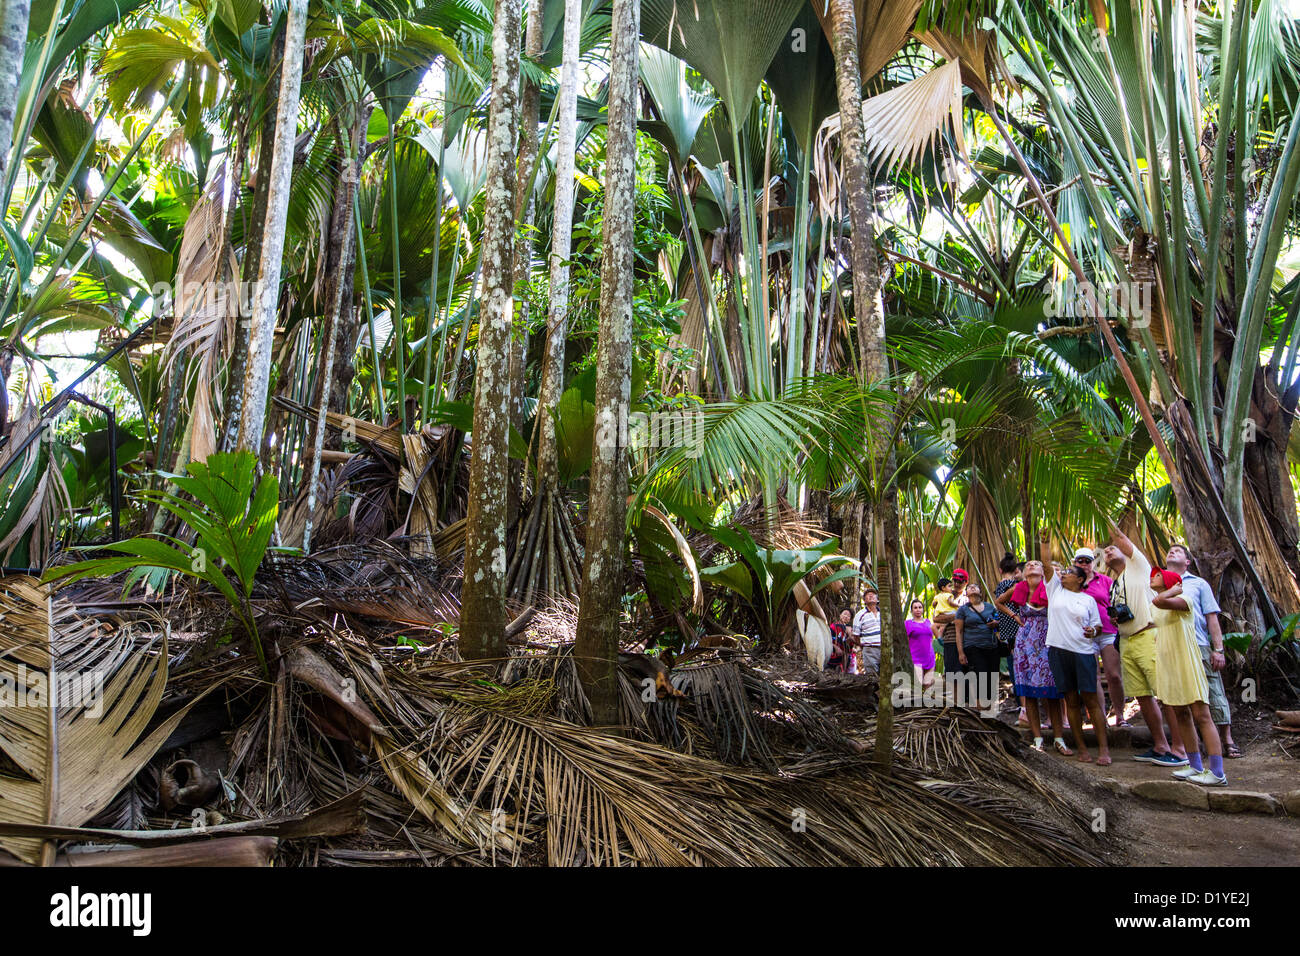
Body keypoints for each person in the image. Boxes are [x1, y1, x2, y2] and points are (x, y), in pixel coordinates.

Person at [1102, 521, 1188, 767]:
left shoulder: (1138, 565)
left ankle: (1180, 748)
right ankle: (1161, 745)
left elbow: (1119, 537)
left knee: (1165, 693)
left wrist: (1099, 512)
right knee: (1142, 696)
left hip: (1148, 635)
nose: (1108, 551)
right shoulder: (1116, 582)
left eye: (1112, 549)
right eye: (1105, 551)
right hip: (1127, 640)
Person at [1151, 569, 1228, 785]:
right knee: (1181, 714)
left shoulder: (1183, 599)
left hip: (1187, 662)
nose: (1152, 578)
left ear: (1169, 582)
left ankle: (1217, 772)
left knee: (1201, 715)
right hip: (1170, 663)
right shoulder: (1158, 602)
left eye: (1157, 576)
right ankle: (1195, 765)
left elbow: (1159, 601)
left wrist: (1175, 589)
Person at [1040, 530, 1111, 765]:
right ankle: (1082, 748)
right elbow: (1047, 565)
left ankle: (1103, 749)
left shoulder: (1088, 600)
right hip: (1058, 651)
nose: (1064, 574)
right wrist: (1045, 542)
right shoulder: (1054, 590)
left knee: (1090, 699)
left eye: (1069, 572)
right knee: (1070, 699)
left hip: (1083, 652)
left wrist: (1094, 631)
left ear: (1080, 579)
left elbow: (1097, 626)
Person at [1164, 543, 1240, 758]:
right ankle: (1196, 746)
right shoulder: (1159, 585)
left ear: (1187, 562)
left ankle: (1227, 740)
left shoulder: (1198, 584)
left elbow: (1211, 618)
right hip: (1172, 649)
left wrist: (1218, 649)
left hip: (1199, 645)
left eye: (1178, 551)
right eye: (1170, 550)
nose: (1172, 552)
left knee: (1213, 691)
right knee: (1181, 698)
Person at [996, 559, 1068, 753]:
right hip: (1025, 642)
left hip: (1048, 639)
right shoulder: (1019, 588)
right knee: (1029, 692)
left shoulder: (1051, 586)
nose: (1032, 565)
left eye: (1037, 564)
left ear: (1043, 571)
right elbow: (999, 602)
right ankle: (1037, 738)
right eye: (1029, 564)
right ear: (1023, 572)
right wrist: (1014, 616)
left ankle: (1059, 738)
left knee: (1052, 692)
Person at [1073, 546, 1127, 727]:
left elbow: (1117, 600)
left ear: (1093, 563)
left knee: (1113, 675)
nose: (1084, 564)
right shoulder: (1071, 584)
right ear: (1074, 563)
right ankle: (1100, 717)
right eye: (1080, 561)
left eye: (1087, 561)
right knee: (1093, 676)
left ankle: (1120, 715)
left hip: (1108, 631)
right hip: (1084, 634)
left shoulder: (1104, 580)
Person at [953, 582, 1001, 711]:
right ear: (966, 594)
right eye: (969, 587)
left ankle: (988, 708)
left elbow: (998, 622)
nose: (972, 588)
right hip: (972, 647)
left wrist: (995, 623)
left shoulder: (990, 607)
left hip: (991, 646)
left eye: (975, 587)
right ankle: (981, 710)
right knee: (981, 675)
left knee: (992, 676)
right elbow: (959, 632)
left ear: (980, 592)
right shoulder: (962, 610)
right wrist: (960, 652)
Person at [905, 599, 937, 692]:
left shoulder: (928, 622)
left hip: (929, 656)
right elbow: (905, 641)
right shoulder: (907, 623)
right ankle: (917, 705)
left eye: (920, 607)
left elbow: (931, 638)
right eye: (915, 608)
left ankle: (928, 705)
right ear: (911, 610)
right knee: (918, 683)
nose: (918, 609)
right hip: (915, 657)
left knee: (928, 684)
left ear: (923, 609)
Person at [852, 588, 882, 675]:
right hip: (870, 649)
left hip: (884, 648)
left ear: (877, 599)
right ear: (864, 601)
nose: (871, 595)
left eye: (873, 594)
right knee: (872, 675)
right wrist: (863, 645)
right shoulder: (860, 615)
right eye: (868, 595)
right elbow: (856, 635)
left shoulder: (883, 613)